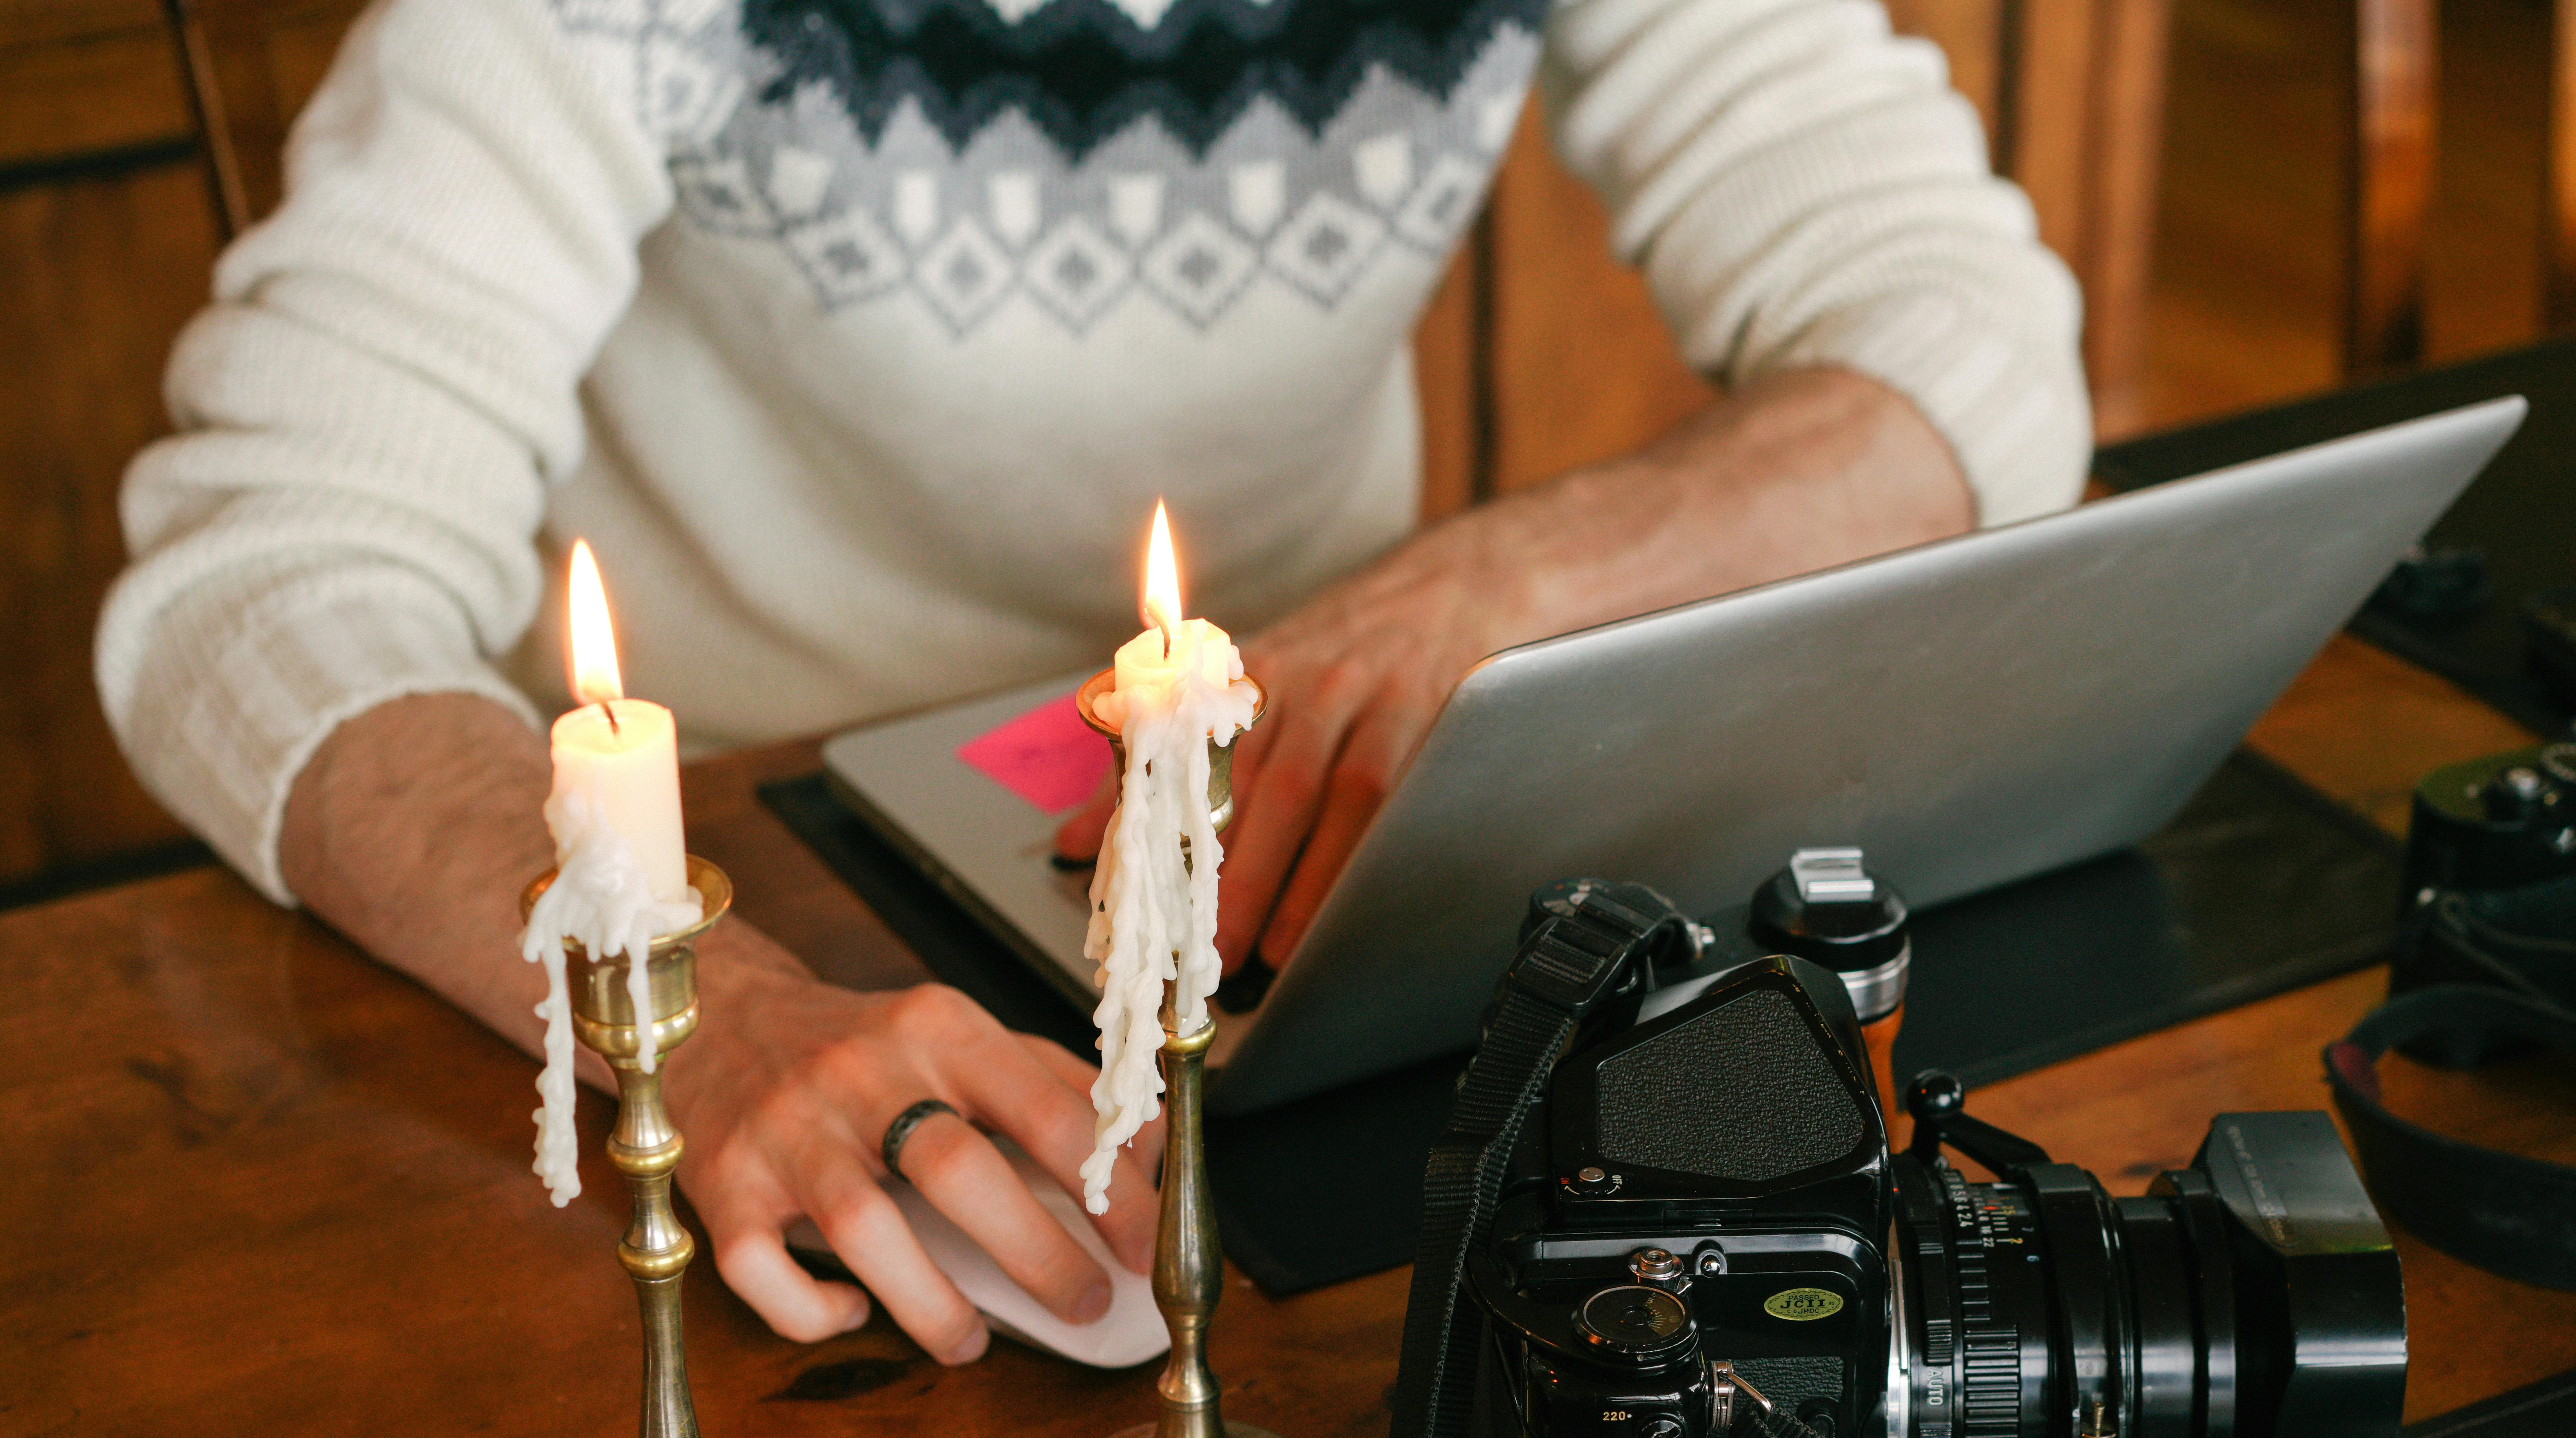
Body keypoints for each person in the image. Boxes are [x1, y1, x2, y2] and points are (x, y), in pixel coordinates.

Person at [97, 0, 2090, 1366]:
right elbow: (260, 586)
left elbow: (1971, 338)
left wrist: (1502, 586)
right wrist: (695, 1004)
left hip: (1305, 872)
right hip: (751, 938)